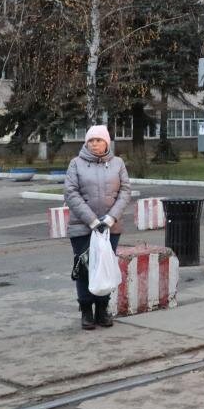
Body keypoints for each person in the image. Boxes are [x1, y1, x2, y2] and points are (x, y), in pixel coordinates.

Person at [63, 125, 130, 330]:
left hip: (110, 227)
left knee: (105, 267)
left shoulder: (117, 163)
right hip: (83, 227)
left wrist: (111, 218)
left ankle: (102, 309)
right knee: (84, 269)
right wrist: (92, 220)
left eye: (98, 140)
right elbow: (71, 193)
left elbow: (125, 191)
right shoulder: (76, 164)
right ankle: (86, 311)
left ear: (106, 142)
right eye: (91, 140)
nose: (94, 144)